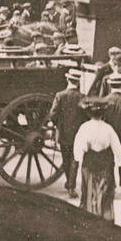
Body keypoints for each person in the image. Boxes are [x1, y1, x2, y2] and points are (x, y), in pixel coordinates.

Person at [74, 98, 121, 221]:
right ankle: (106, 217)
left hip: (90, 162)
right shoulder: (108, 129)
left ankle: (89, 217)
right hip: (105, 162)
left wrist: (80, 157)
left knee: (89, 190)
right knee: (105, 191)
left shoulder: (84, 128)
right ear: (103, 114)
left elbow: (78, 150)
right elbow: (117, 149)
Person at [48, 68, 86, 198]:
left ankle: (69, 182)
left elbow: (53, 114)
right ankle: (71, 186)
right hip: (78, 134)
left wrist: (57, 124)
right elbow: (86, 115)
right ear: (77, 81)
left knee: (65, 159)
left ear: (68, 80)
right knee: (75, 159)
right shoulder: (82, 97)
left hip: (63, 132)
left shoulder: (60, 95)